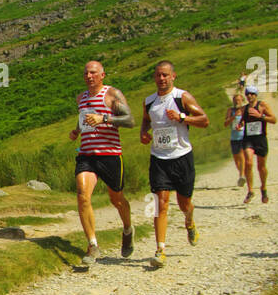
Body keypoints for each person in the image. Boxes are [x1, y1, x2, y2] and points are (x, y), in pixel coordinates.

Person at [139, 61, 207, 268]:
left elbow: (204, 120)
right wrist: (143, 132)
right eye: (159, 75)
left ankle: (189, 221)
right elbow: (146, 119)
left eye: (166, 75)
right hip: (159, 158)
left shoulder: (181, 97)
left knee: (184, 202)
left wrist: (182, 117)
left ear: (173, 76)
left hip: (181, 156)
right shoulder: (149, 102)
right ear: (154, 77)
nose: (162, 79)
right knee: (160, 202)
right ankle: (160, 250)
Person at [68, 61, 134, 264]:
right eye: (86, 72)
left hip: (110, 154)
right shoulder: (81, 98)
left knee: (117, 199)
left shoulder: (112, 94)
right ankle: (92, 245)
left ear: (102, 75)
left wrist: (104, 119)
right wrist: (77, 131)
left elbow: (130, 120)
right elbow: (84, 119)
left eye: (93, 72)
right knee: (82, 194)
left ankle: (127, 229)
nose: (89, 76)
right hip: (87, 154)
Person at [238, 85, 277, 204]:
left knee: (261, 166)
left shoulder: (262, 106)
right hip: (248, 139)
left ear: (256, 95)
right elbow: (242, 122)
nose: (249, 96)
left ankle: (263, 187)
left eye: (252, 94)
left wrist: (261, 116)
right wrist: (240, 125)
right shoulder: (244, 109)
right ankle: (250, 190)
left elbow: (274, 120)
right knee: (248, 162)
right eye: (247, 94)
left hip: (260, 138)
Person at [225, 89, 247, 187]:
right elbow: (225, 123)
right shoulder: (230, 110)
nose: (236, 102)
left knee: (241, 155)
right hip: (234, 137)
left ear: (242, 100)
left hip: (243, 136)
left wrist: (242, 124)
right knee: (236, 158)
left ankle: (241, 175)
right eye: (235, 100)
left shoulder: (244, 110)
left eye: (238, 100)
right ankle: (243, 174)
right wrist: (233, 117)